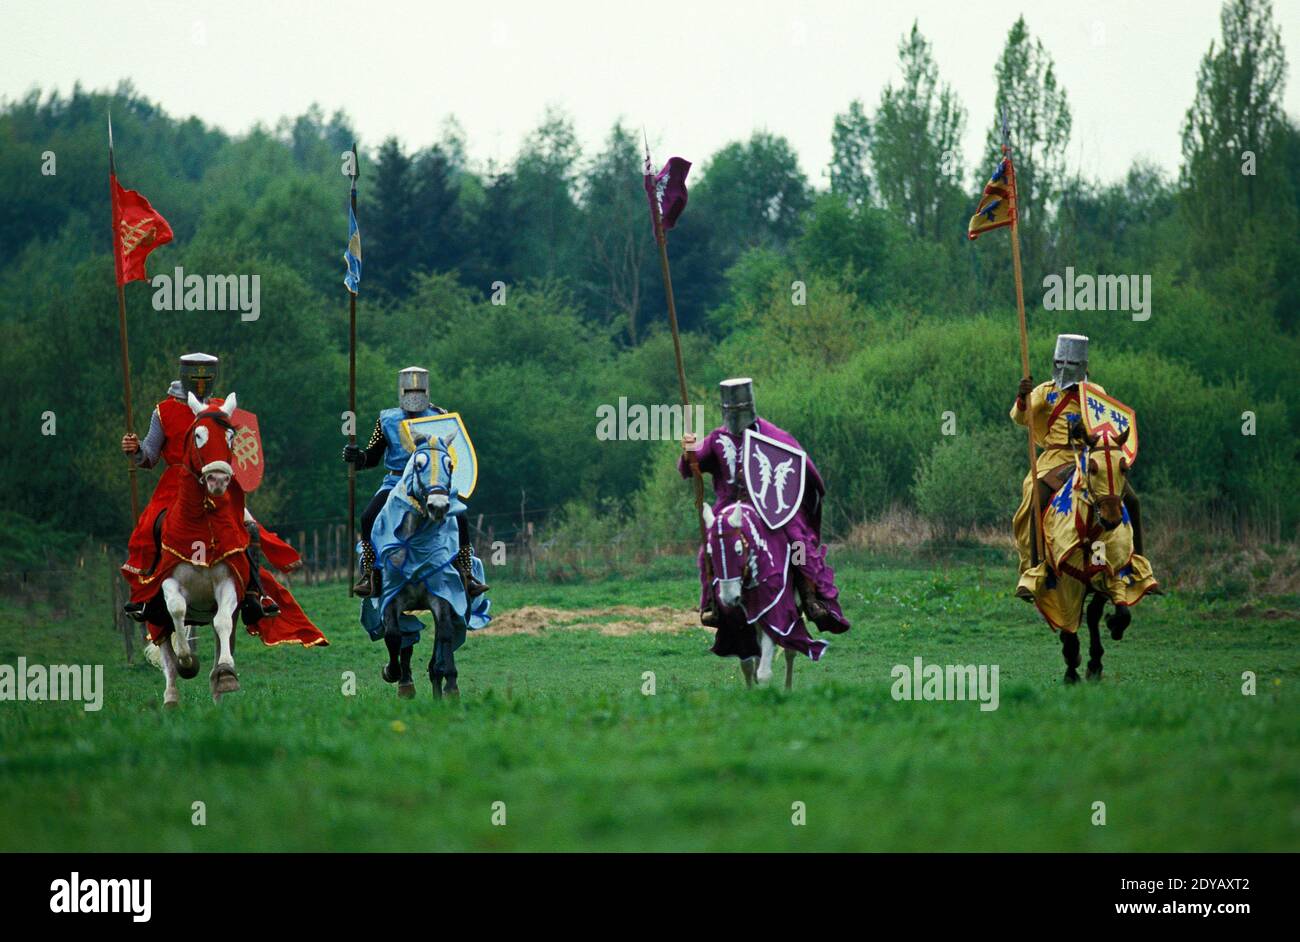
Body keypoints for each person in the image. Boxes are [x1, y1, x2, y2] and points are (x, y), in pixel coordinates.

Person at [679, 377, 849, 633]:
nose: (736, 415)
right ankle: (711, 604)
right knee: (707, 552)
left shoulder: (772, 435)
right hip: (728, 509)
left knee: (798, 543)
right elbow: (690, 468)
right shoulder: (716, 439)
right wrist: (687, 451)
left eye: (740, 409)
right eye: (731, 410)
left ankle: (810, 595)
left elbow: (798, 466)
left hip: (768, 508)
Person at [121, 353, 277, 622]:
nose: (202, 383)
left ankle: (254, 593)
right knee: (151, 527)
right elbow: (150, 453)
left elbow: (238, 452)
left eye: (207, 377)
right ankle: (149, 595)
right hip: (176, 485)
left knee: (249, 527)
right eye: (197, 378)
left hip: (216, 485)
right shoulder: (164, 410)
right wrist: (136, 451)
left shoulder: (220, 409)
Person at [343, 366, 488, 599]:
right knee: (368, 517)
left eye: (418, 390)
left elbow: (451, 456)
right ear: (401, 391)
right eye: (409, 390)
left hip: (433, 483)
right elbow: (372, 458)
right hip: (396, 481)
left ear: (427, 390)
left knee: (460, 516)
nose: (414, 395)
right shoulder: (386, 420)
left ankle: (466, 573)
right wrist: (356, 457)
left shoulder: (440, 416)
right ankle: (371, 573)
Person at [1011, 333, 1144, 572]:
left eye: (1071, 364)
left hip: (1090, 458)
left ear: (1082, 366)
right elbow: (1021, 419)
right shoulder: (1045, 391)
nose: (1064, 368)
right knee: (1037, 497)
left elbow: (1107, 427)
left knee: (1131, 500)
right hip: (1055, 459)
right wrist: (1023, 397)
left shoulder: (1094, 392)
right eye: (1060, 363)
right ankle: (1035, 566)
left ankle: (1138, 563)